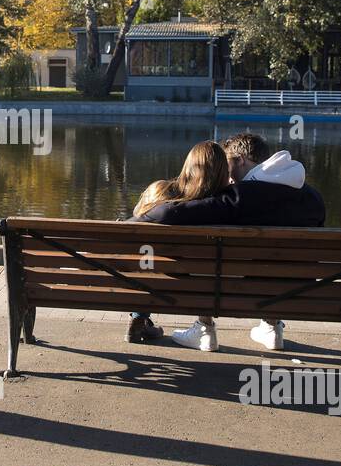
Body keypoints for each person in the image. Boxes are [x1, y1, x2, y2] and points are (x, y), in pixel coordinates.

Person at [139, 132, 325, 351]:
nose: (227, 175)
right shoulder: (312, 197)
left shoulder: (239, 197)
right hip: (297, 288)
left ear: (240, 160)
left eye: (227, 165)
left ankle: (204, 326)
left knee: (207, 255)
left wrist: (141, 215)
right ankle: (272, 325)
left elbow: (171, 214)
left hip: (235, 289)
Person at [125, 141, 230, 347]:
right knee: (205, 266)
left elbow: (133, 232)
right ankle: (204, 324)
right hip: (209, 285)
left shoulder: (161, 193)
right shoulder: (225, 205)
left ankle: (139, 316)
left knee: (148, 257)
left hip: (157, 279)